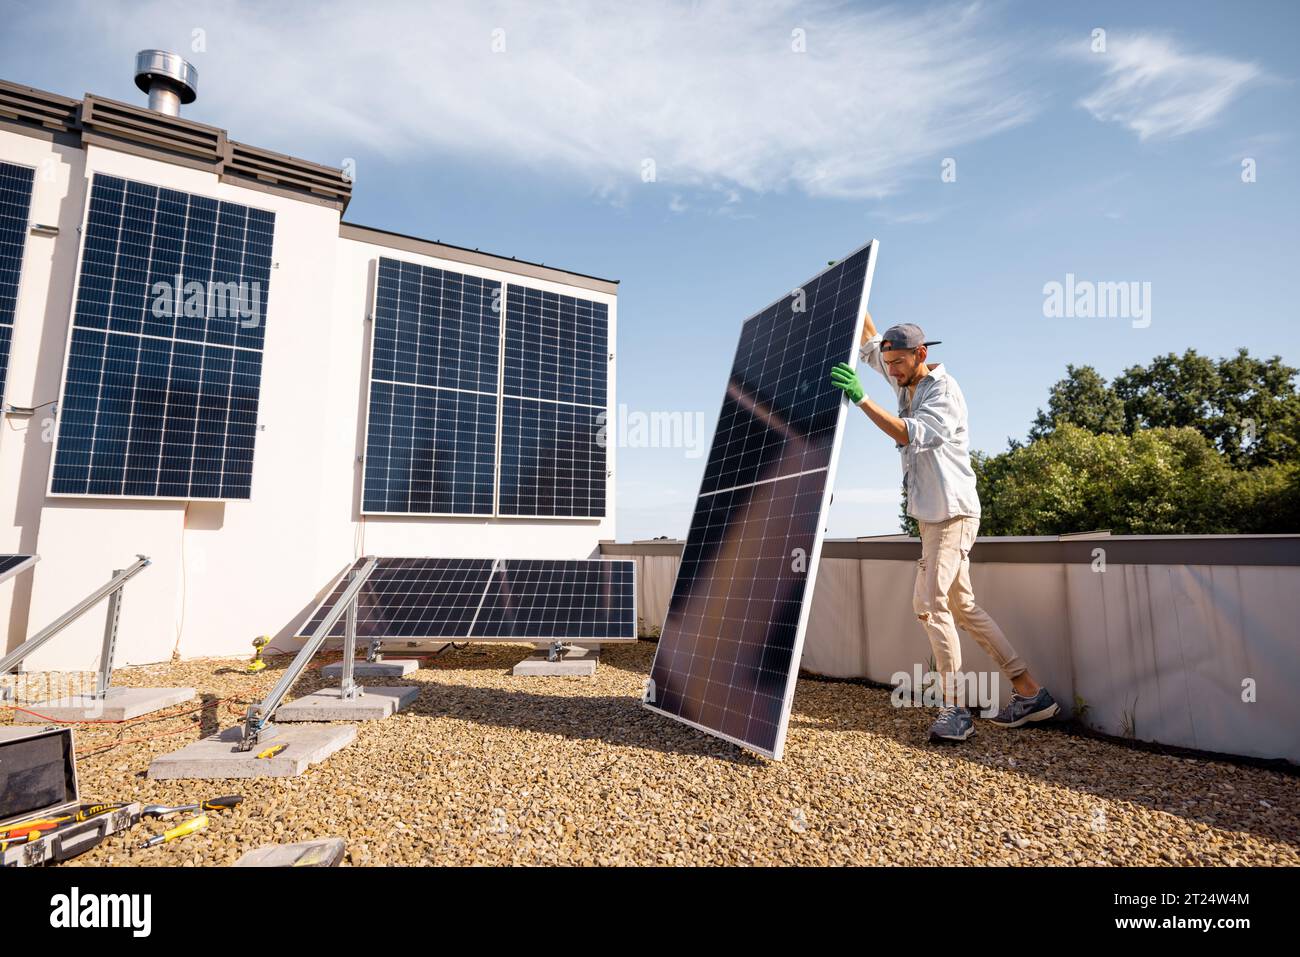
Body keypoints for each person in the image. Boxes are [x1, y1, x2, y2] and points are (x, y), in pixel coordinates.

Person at [829, 313, 1059, 743]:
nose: (891, 371)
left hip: (951, 514)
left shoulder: (944, 393)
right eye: (888, 363)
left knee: (929, 604)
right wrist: (851, 291)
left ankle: (955, 711)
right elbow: (871, 339)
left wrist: (860, 399)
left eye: (898, 363)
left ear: (922, 354)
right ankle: (1031, 693)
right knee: (963, 608)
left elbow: (907, 433)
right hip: (932, 515)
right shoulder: (902, 373)